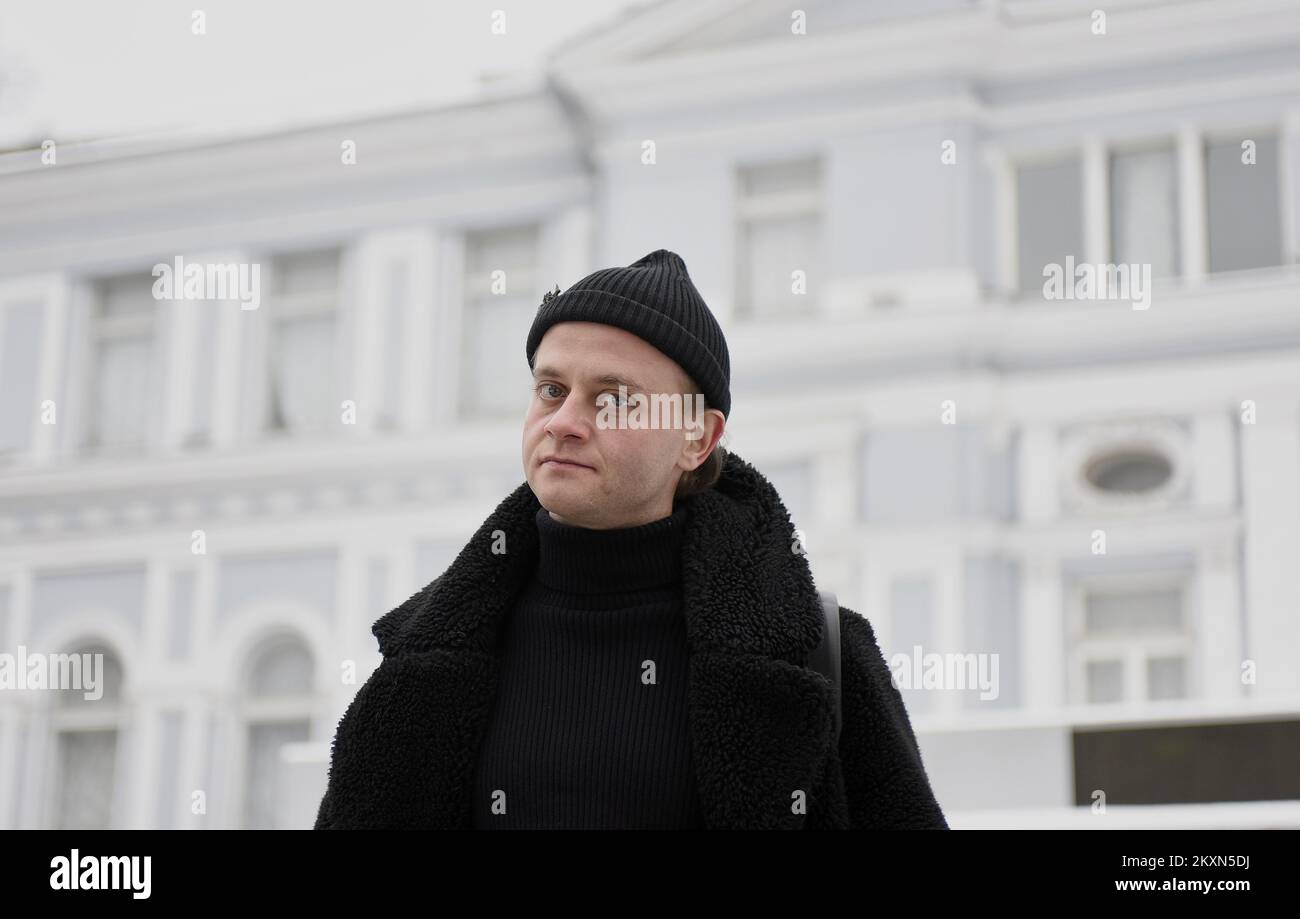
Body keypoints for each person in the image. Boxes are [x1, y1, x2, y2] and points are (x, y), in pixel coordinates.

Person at [314, 249, 948, 829]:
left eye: (613, 400)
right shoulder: (425, 658)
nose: (564, 423)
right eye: (551, 390)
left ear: (697, 437)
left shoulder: (818, 656)